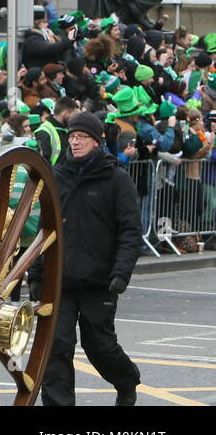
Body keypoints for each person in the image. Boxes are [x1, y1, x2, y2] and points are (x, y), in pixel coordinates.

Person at [34, 112, 142, 406]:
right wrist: (36, 276)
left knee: (100, 346)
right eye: (72, 137)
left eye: (82, 137)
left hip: (100, 279)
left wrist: (121, 272)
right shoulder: (57, 175)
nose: (76, 142)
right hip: (61, 281)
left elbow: (131, 230)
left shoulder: (116, 179)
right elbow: (44, 229)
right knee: (56, 345)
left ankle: (126, 380)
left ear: (96, 141)